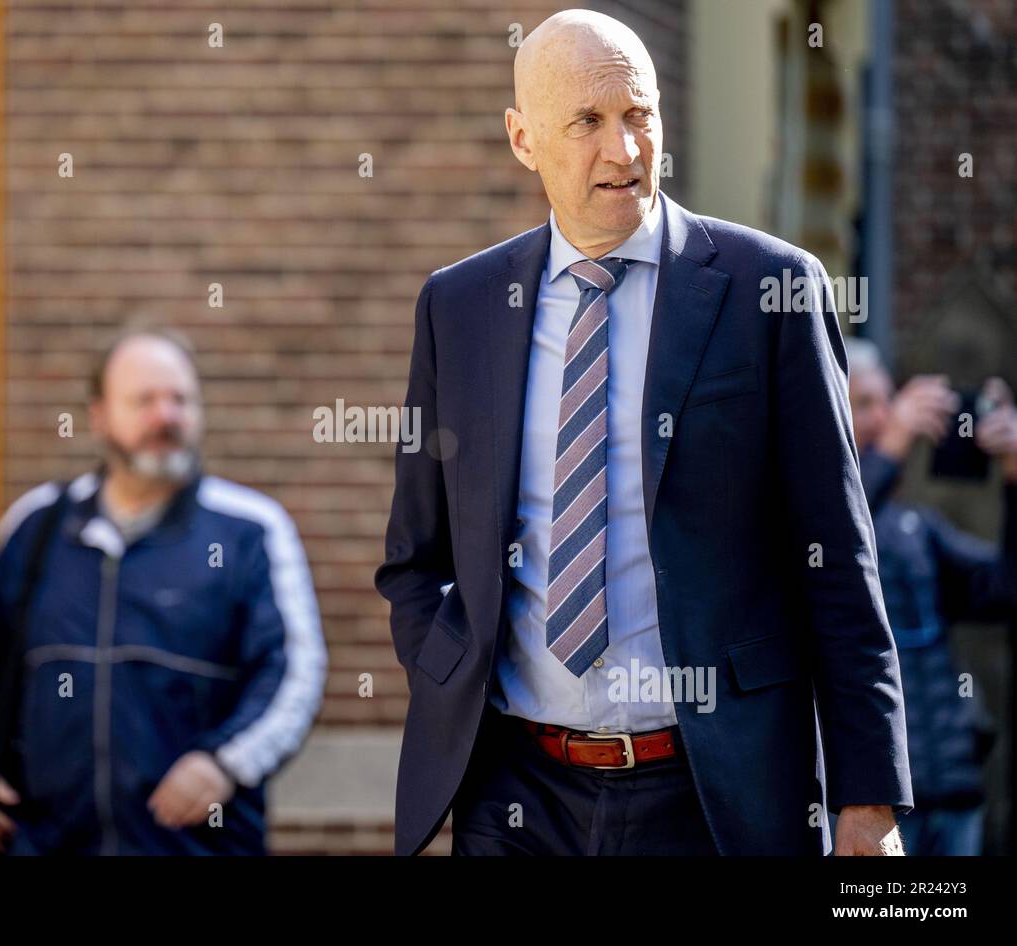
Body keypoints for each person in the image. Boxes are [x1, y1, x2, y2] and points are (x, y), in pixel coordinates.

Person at [375, 9, 911, 856]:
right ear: (524, 140)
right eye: (587, 123)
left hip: (713, 792)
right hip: (517, 795)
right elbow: (415, 556)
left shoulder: (769, 289)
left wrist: (869, 798)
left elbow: (838, 559)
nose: (623, 151)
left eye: (638, 115)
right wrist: (451, 680)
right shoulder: (461, 306)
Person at [0, 329, 327, 854]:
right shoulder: (37, 526)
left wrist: (225, 761)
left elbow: (293, 670)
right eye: (144, 400)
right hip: (45, 842)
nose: (166, 416)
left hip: (194, 845)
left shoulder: (250, 530)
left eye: (180, 399)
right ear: (99, 416)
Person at [846, 339, 1017, 855]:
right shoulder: (792, 516)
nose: (883, 418)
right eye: (863, 404)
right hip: (870, 808)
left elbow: (1005, 591)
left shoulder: (915, 525)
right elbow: (836, 541)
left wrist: (1014, 473)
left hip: (953, 795)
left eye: (888, 402)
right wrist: (892, 445)